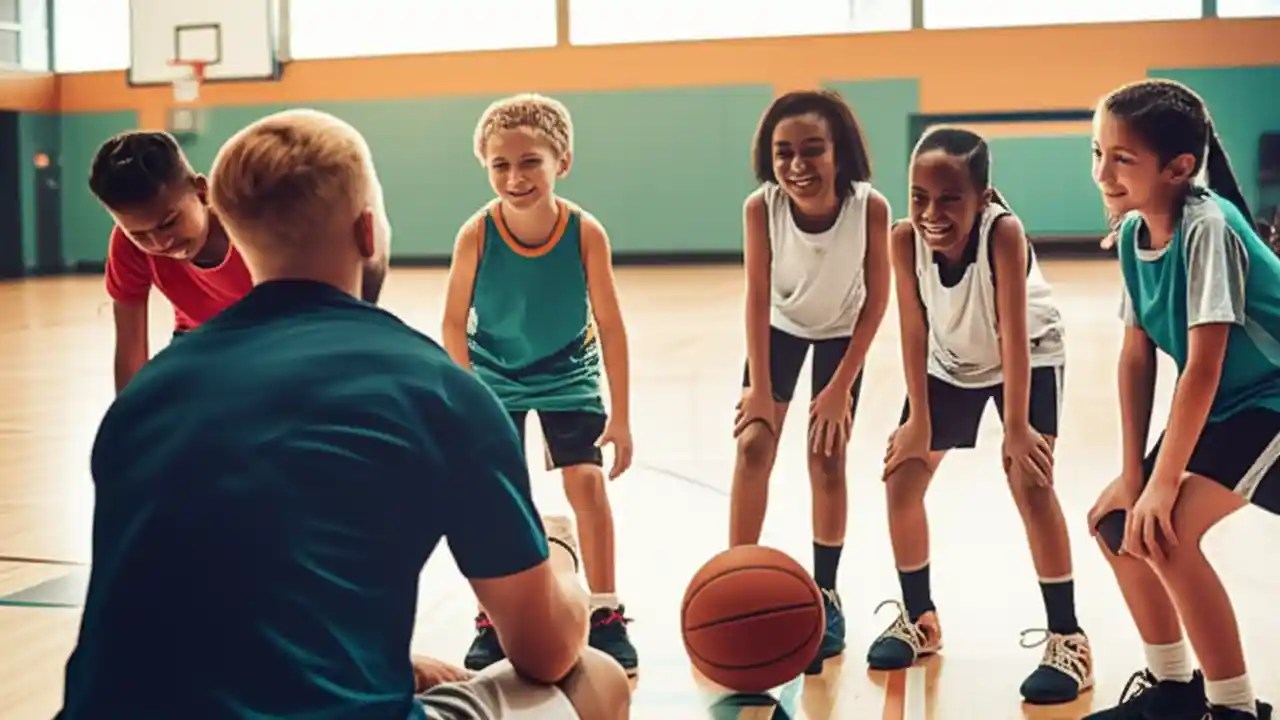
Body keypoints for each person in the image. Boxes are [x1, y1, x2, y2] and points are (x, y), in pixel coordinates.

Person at [57, 108, 630, 720]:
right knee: (595, 678)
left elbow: (203, 610)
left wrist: (397, 667)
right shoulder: (437, 389)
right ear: (367, 232)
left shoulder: (143, 399)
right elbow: (546, 653)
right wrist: (560, 559)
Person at [868, 126, 1092, 706]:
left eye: (950, 199)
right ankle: (920, 618)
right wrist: (918, 418)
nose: (931, 212)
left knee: (1030, 481)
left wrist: (1017, 428)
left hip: (1029, 352)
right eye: (919, 196)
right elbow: (913, 329)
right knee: (901, 479)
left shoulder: (1004, 234)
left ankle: (1068, 637)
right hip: (951, 360)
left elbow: (1013, 336)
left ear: (984, 196)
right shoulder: (902, 240)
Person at [1084, 78, 1277, 720]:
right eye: (1097, 152)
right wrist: (1135, 473)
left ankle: (1234, 709)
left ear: (1179, 167)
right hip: (1230, 401)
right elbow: (1136, 355)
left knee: (1164, 531)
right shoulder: (1135, 233)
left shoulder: (1209, 229)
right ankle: (1172, 692)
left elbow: (1203, 364)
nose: (1103, 172)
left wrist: (1164, 485)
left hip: (1270, 399)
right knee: (1120, 525)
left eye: (1122, 158)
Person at [442, 93, 638, 677]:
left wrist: (621, 416)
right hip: (494, 374)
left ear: (562, 162)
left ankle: (604, 612)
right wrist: (467, 394)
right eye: (500, 165)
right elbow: (453, 321)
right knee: (493, 492)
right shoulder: (476, 233)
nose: (515, 176)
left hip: (567, 371)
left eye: (530, 161)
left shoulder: (584, 233)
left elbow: (610, 322)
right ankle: (493, 617)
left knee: (587, 484)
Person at [729, 89, 892, 675]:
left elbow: (878, 302)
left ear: (839, 153)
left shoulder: (870, 208)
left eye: (812, 150)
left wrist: (840, 387)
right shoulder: (761, 208)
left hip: (842, 335)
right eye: (783, 153)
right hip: (778, 328)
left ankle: (825, 593)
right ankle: (736, 578)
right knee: (752, 447)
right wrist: (757, 389)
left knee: (826, 457)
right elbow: (754, 297)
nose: (797, 165)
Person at [88, 131, 254, 393]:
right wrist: (130, 424)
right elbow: (131, 349)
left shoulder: (252, 226)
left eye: (168, 223)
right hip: (196, 344)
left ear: (201, 192)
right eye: (139, 234)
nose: (159, 243)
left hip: (270, 340)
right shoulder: (127, 245)